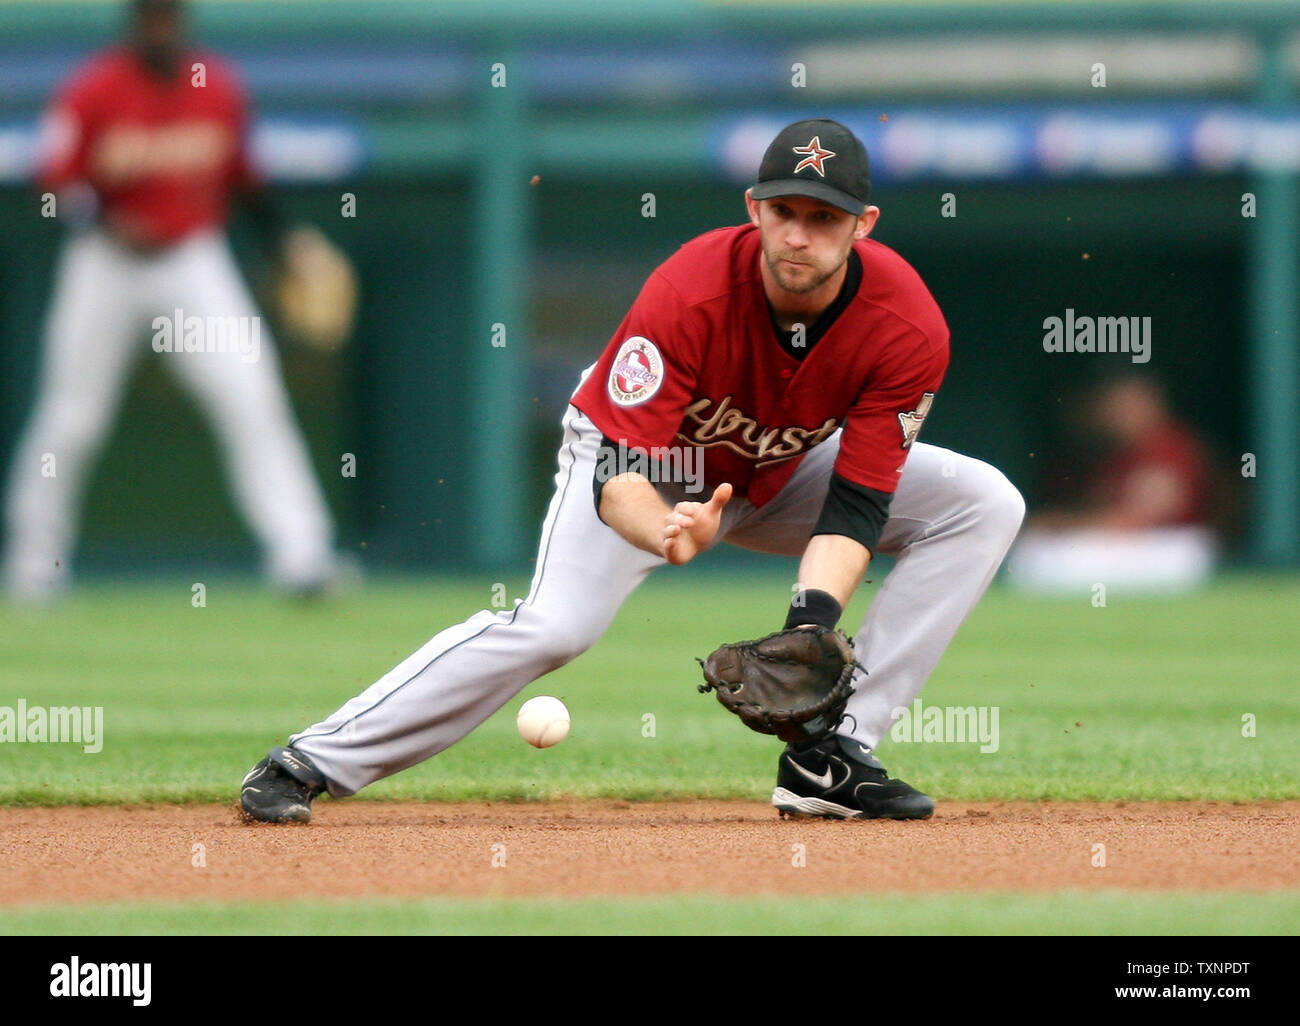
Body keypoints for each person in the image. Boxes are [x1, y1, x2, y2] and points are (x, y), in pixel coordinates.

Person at [239, 118, 1025, 824]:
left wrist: (809, 625)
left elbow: (857, 502)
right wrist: (667, 530)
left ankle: (832, 757)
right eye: (785, 212)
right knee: (557, 625)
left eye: (823, 218)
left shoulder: (907, 324)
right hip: (651, 467)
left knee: (986, 503)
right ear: (755, 208)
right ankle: (309, 760)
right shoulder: (690, 290)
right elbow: (617, 474)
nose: (798, 235)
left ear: (864, 225)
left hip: (785, 464)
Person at [3, 0, 343, 600]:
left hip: (193, 260)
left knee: (251, 396)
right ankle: (33, 566)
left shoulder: (214, 85)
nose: (161, 28)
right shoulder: (93, 89)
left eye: (170, 17)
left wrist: (283, 244)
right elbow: (52, 187)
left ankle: (303, 556)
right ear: (133, 24)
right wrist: (104, 218)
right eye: (151, 18)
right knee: (72, 420)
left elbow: (246, 179)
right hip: (103, 264)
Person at [1008, 375, 1216, 593]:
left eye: (1128, 405)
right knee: (1035, 553)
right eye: (1114, 405)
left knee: (1045, 560)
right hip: (1133, 546)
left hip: (1174, 549)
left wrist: (1064, 524)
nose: (1118, 414)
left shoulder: (1168, 448)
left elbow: (1137, 520)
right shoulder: (1118, 453)